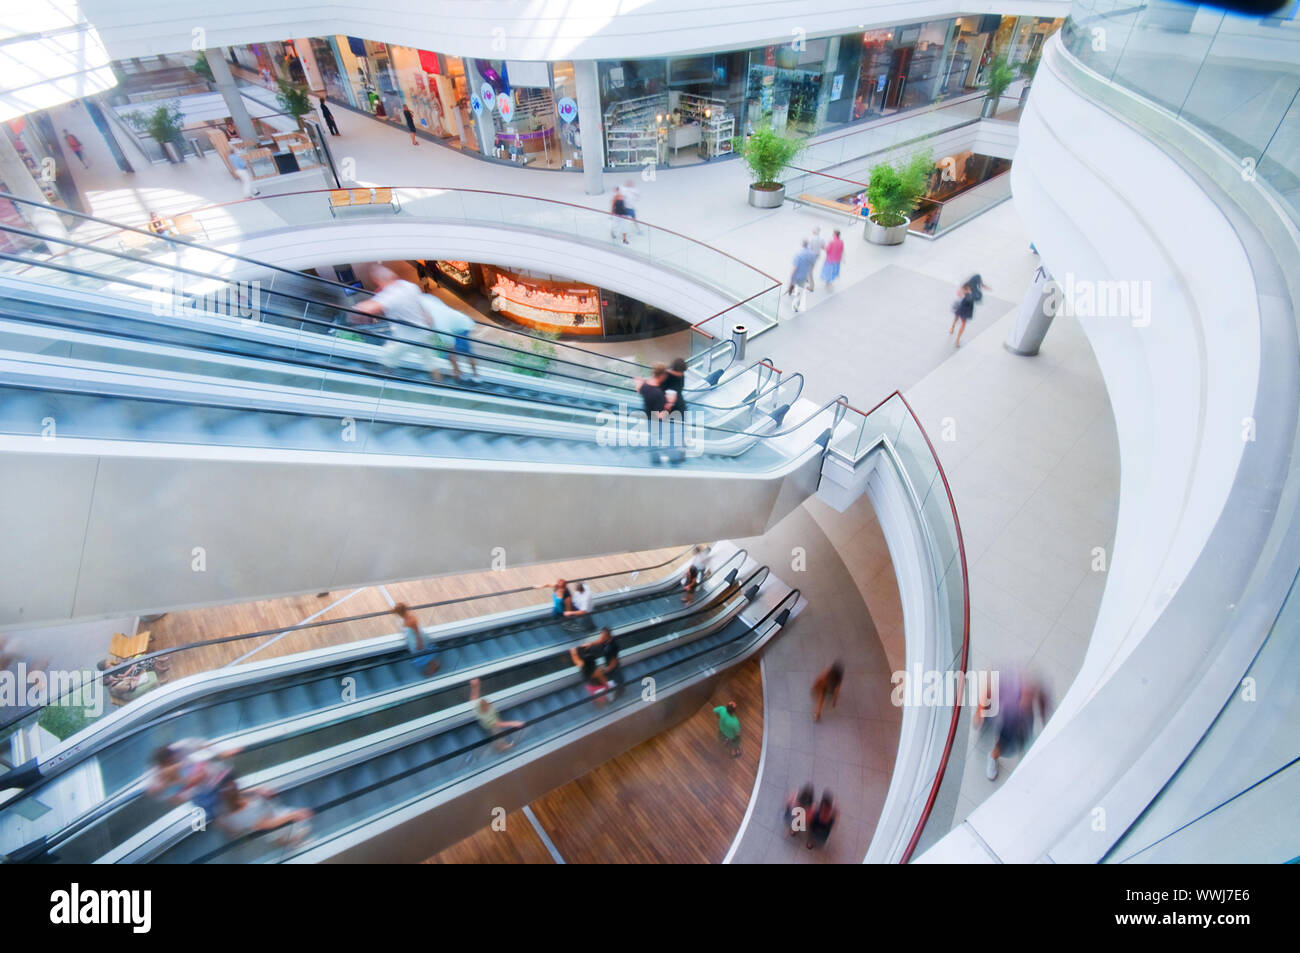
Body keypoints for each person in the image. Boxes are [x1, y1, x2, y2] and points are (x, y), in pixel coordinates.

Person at [355, 265, 443, 381]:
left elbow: (369, 308)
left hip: (405, 338)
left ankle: (383, 383)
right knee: (431, 362)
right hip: (423, 332)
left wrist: (357, 306)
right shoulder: (409, 286)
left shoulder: (390, 294)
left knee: (388, 358)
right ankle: (439, 386)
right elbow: (421, 305)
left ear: (377, 281)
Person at [974, 667, 1050, 781]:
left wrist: (1043, 718)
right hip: (1006, 718)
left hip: (1019, 720)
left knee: (1023, 740)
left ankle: (1023, 753)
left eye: (1030, 696)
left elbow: (1042, 700)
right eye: (1025, 695)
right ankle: (993, 756)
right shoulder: (1008, 686)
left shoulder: (1029, 702)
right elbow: (988, 687)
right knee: (1005, 745)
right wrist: (980, 711)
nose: (1027, 700)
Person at [147, 739, 241, 824]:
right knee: (217, 812)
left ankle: (237, 812)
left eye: (173, 759)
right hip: (199, 793)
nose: (173, 762)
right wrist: (172, 786)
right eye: (169, 762)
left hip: (207, 780)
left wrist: (221, 753)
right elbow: (155, 791)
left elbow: (200, 745)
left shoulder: (180, 749)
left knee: (228, 792)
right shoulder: (158, 776)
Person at [214, 776, 313, 846]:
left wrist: (258, 789)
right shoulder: (241, 816)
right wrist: (293, 815)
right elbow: (268, 824)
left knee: (305, 827)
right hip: (278, 830)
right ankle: (295, 843)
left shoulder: (235, 796)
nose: (235, 785)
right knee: (304, 829)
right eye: (231, 785)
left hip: (276, 813)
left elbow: (240, 791)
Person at [421, 294, 479, 382]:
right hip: (456, 322)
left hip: (461, 327)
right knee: (453, 354)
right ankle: (459, 373)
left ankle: (474, 376)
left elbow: (450, 345)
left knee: (464, 353)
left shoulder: (439, 323)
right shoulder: (424, 301)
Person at [635, 363, 677, 465]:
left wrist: (639, 381)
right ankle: (659, 460)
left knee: (653, 438)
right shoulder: (658, 393)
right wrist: (670, 403)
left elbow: (639, 390)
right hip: (656, 421)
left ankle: (655, 458)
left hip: (647, 417)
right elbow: (659, 415)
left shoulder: (645, 385)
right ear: (662, 375)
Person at [469, 677, 525, 751]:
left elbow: (474, 697)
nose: (488, 703)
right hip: (491, 725)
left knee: (497, 733)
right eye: (487, 704)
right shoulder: (486, 716)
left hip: (491, 719)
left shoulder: (477, 704)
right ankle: (502, 747)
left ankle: (501, 746)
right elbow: (497, 724)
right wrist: (513, 723)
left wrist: (476, 686)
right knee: (498, 734)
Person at [392, 602, 440, 676]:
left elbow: (417, 633)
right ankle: (433, 665)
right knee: (424, 655)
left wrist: (419, 643)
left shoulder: (411, 620)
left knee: (423, 655)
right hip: (413, 640)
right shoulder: (406, 618)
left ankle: (434, 666)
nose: (398, 615)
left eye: (398, 613)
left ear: (400, 612)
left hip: (417, 641)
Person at [570, 639, 611, 704]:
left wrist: (573, 651)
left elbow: (576, 659)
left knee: (595, 697)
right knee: (601, 699)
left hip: (590, 687)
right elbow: (605, 682)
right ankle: (603, 704)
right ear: (593, 662)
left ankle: (598, 703)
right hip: (598, 688)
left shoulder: (582, 665)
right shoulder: (596, 671)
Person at [787, 239, 817, 313]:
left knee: (792, 285)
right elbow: (812, 264)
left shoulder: (798, 254)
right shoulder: (811, 254)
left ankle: (791, 292)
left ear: (802, 244)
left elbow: (795, 268)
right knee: (800, 292)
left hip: (796, 275)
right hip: (804, 276)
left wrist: (791, 277)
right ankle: (796, 306)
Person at [820, 229, 844, 294]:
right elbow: (841, 250)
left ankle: (828, 282)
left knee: (828, 270)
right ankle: (831, 281)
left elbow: (828, 250)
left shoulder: (832, 242)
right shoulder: (841, 241)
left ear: (835, 234)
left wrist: (823, 247)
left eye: (833, 233)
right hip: (837, 259)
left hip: (830, 259)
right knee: (834, 270)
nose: (832, 234)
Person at [806, 227, 826, 292]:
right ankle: (807, 279)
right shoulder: (822, 239)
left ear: (814, 232)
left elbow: (809, 249)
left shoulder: (811, 239)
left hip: (811, 257)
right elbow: (824, 247)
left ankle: (811, 286)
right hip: (817, 256)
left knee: (809, 272)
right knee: (810, 269)